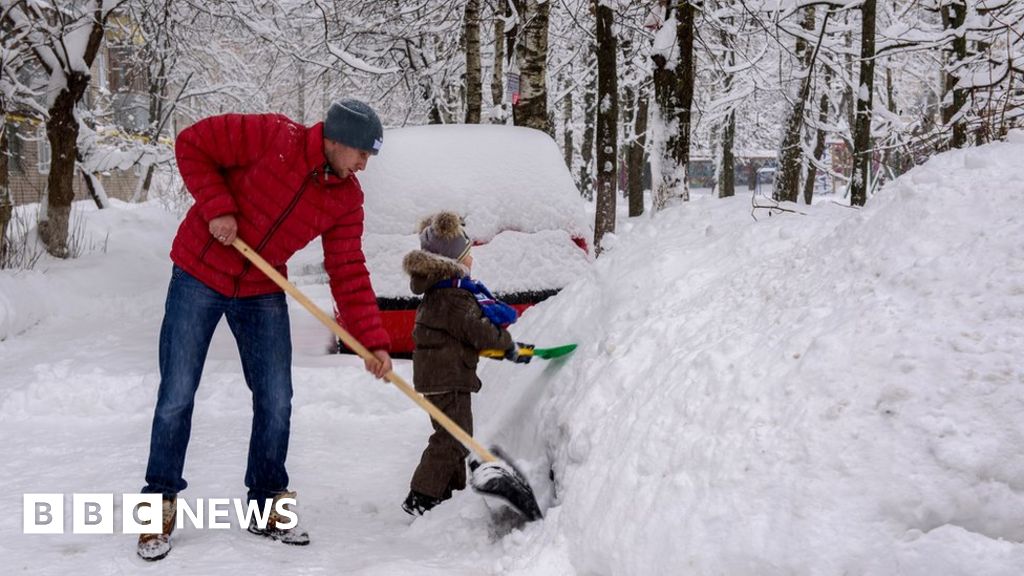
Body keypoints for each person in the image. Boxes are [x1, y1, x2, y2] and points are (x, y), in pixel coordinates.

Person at [137, 99, 393, 561]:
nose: (364, 165)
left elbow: (348, 267)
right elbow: (192, 143)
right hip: (199, 271)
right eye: (361, 153)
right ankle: (158, 504)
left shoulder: (346, 196)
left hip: (261, 282)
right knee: (177, 391)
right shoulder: (274, 137)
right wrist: (218, 208)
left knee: (276, 396)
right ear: (335, 140)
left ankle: (268, 501)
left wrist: (371, 341)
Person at [400, 212, 532, 516]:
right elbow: (478, 331)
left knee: (455, 435)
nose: (472, 259)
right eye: (467, 254)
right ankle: (421, 495)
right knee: (452, 437)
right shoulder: (453, 296)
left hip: (441, 374)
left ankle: (449, 491)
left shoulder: (441, 291)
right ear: (453, 262)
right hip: (447, 377)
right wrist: (508, 345)